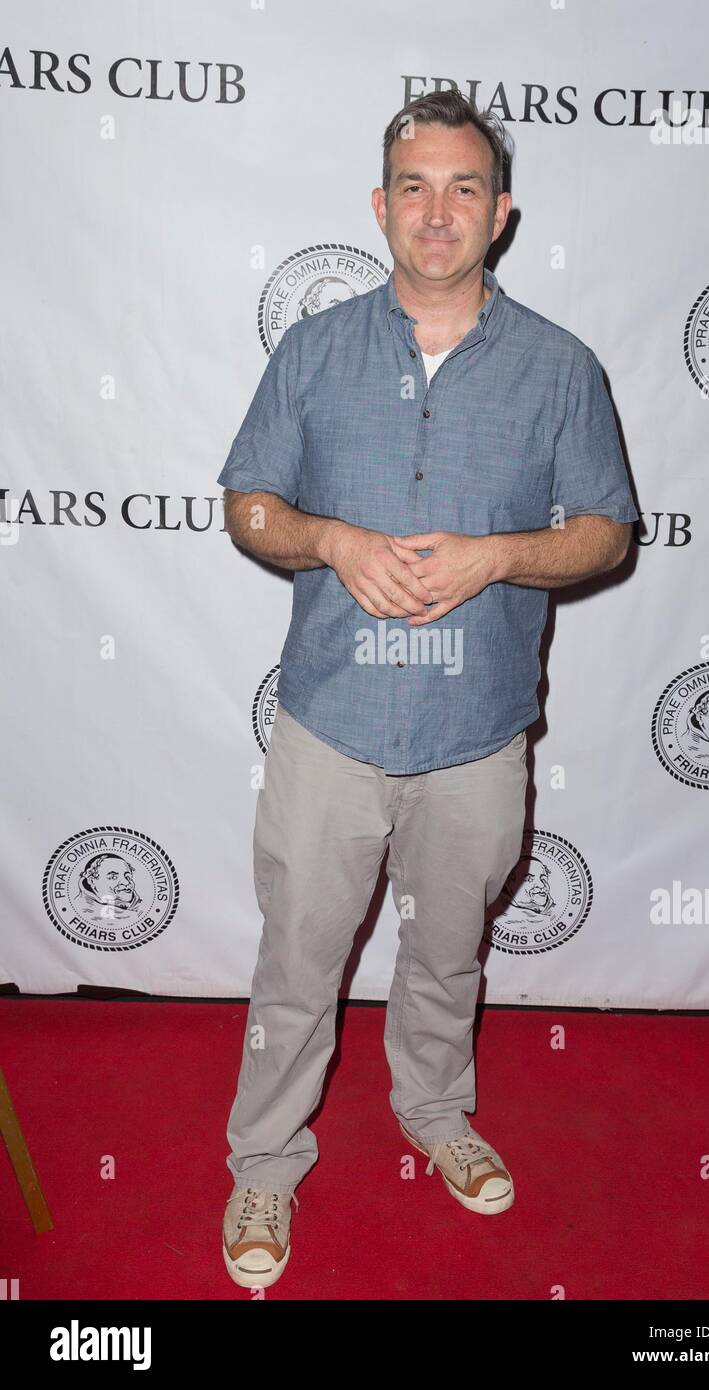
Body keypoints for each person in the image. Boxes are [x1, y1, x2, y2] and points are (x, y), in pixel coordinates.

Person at [218, 87, 639, 1290]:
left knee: (446, 951)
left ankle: (437, 1112)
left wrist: (501, 553)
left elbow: (608, 533)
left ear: (501, 213)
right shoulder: (313, 348)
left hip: (475, 732)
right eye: (415, 186)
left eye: (464, 188)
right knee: (300, 957)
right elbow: (247, 503)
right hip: (330, 725)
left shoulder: (561, 366)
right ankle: (262, 1160)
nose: (437, 211)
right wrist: (330, 540)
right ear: (380, 205)